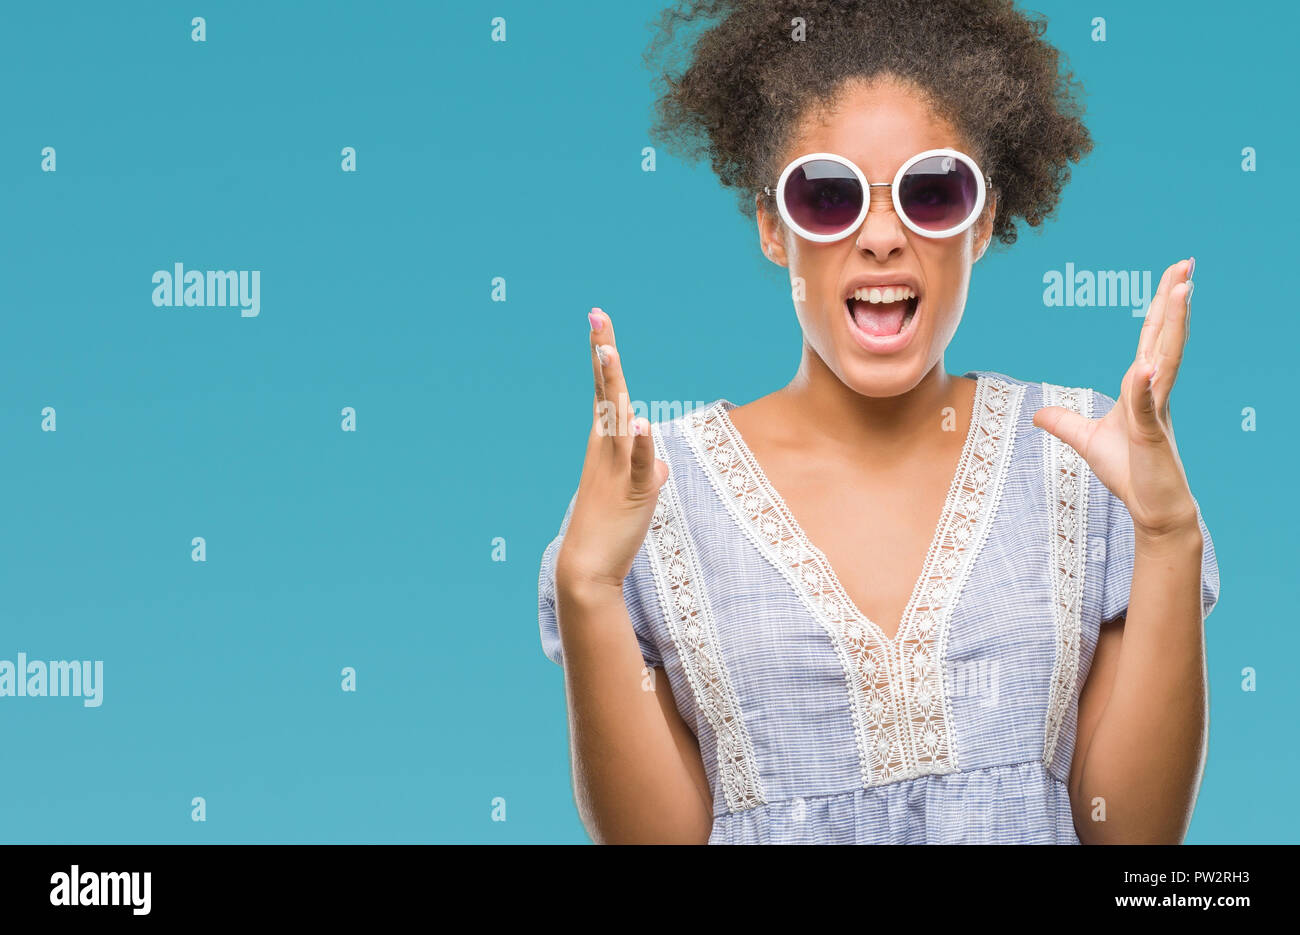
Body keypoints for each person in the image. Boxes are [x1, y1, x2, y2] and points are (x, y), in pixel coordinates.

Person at [538, 0, 1220, 844]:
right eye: (828, 197)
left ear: (982, 223)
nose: (884, 238)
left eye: (934, 194)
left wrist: (1165, 531)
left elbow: (1134, 846)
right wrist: (591, 586)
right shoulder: (654, 498)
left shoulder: (1088, 457)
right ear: (772, 228)